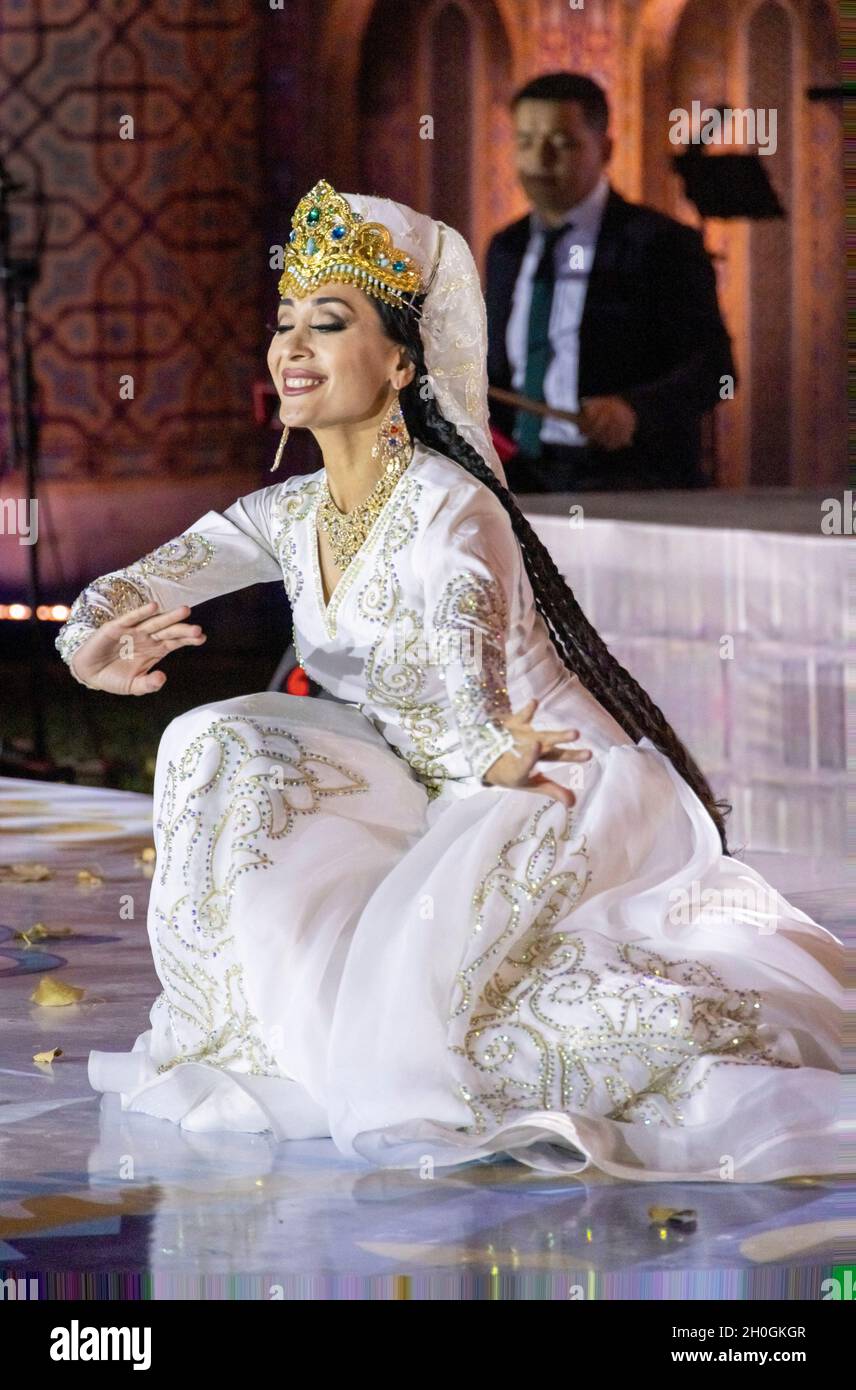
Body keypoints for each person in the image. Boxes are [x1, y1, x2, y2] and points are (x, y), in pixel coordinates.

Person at [54, 179, 841, 1181]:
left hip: (533, 782)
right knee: (209, 738)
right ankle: (245, 1024)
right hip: (424, 777)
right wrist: (90, 644)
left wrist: (486, 744)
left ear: (399, 361)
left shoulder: (448, 504)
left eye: (327, 323)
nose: (291, 344)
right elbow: (131, 584)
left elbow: (468, 648)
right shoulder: (290, 513)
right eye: (285, 321)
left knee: (495, 1045)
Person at [486, 72, 737, 492]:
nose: (539, 160)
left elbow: (715, 370)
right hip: (522, 477)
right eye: (525, 142)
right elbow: (496, 372)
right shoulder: (505, 248)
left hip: (629, 478)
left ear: (604, 149)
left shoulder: (660, 243)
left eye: (562, 143)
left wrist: (634, 410)